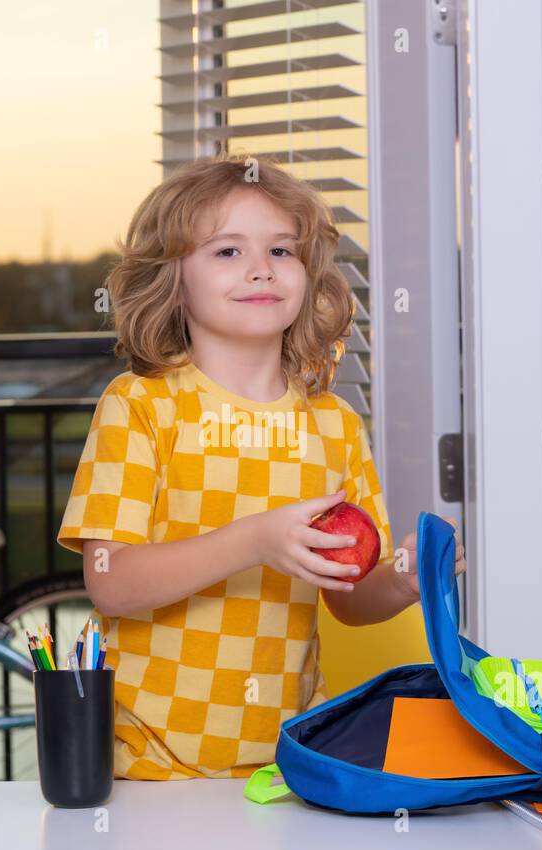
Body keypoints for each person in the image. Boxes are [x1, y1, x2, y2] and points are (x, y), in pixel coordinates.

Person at [56, 153, 465, 780]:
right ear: (173, 279)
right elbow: (111, 580)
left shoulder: (334, 426)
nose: (260, 269)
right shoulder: (139, 406)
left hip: (286, 761)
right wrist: (254, 541)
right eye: (227, 252)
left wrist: (405, 578)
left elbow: (349, 598)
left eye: (282, 251)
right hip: (149, 763)